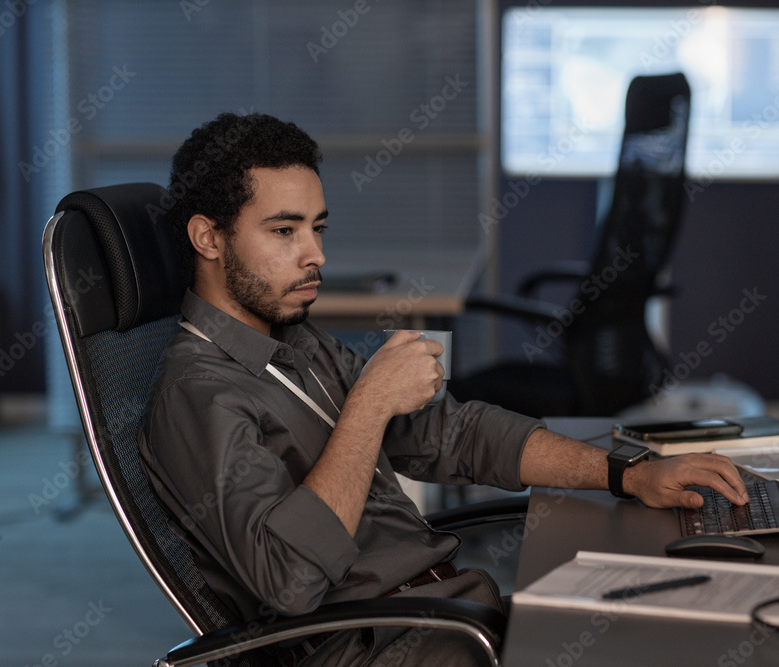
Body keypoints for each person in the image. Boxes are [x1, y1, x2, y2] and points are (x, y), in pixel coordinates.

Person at [137, 112, 747, 666]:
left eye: (318, 228)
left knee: (683, 619)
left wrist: (628, 474)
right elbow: (289, 580)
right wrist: (371, 403)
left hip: (448, 611)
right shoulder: (198, 395)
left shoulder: (294, 341)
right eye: (284, 231)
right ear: (209, 238)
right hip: (385, 646)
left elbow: (450, 432)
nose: (316, 254)